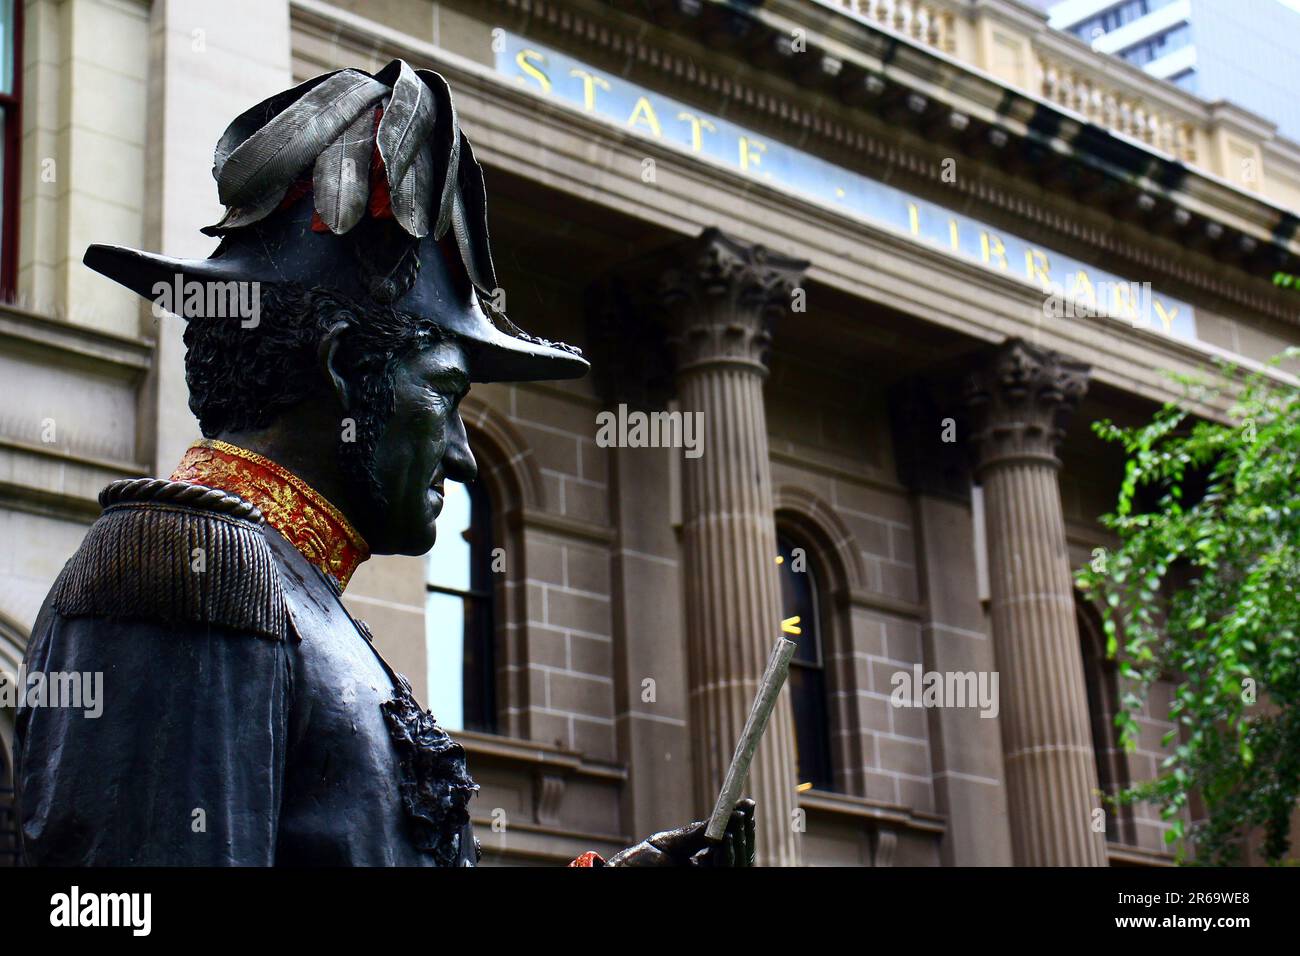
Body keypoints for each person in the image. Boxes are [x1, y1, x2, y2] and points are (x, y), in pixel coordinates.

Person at [13, 60, 755, 867]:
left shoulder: (289, 592)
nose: (465, 456)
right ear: (339, 367)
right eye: (445, 394)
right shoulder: (189, 574)